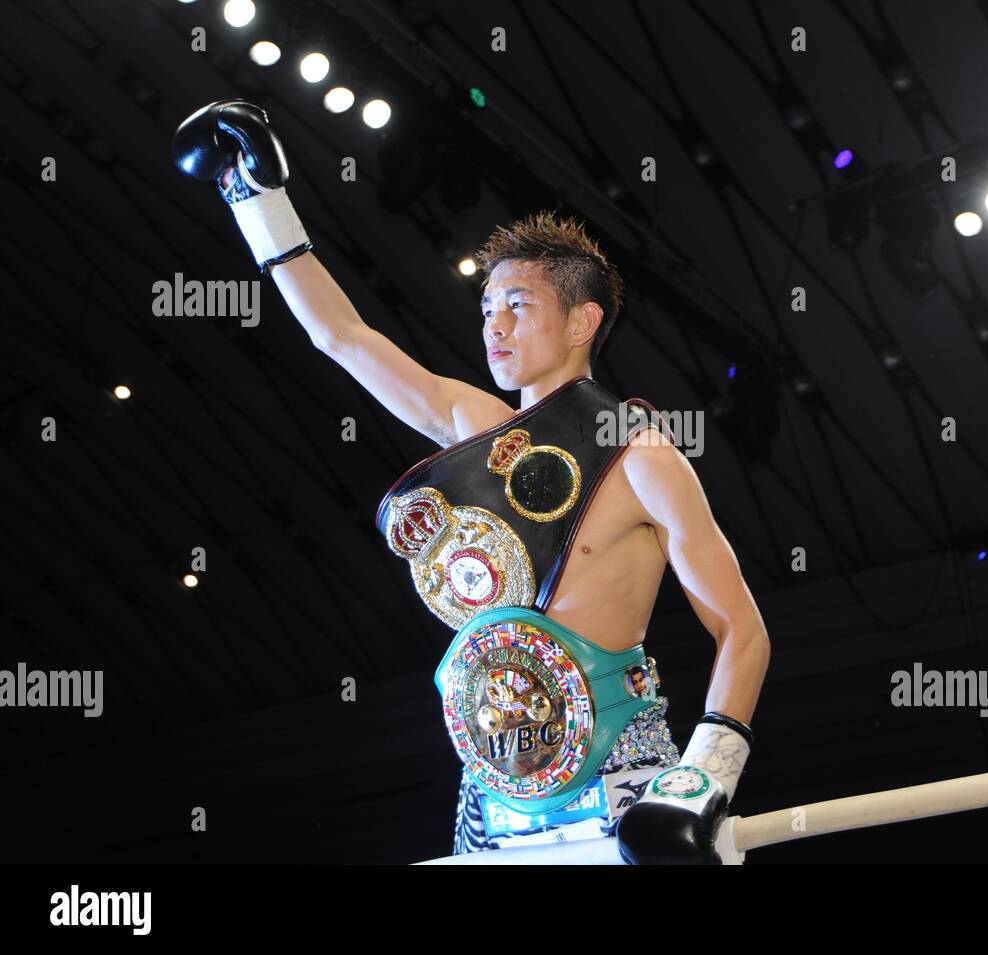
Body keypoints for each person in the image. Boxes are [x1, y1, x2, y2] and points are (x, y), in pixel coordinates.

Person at [172, 100, 771, 863]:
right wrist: (256, 199)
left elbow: (742, 629)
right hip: (488, 789)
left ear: (583, 322)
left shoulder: (642, 456)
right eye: (487, 308)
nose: (494, 326)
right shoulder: (476, 427)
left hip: (620, 780)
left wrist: (699, 783)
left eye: (518, 306)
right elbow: (342, 337)